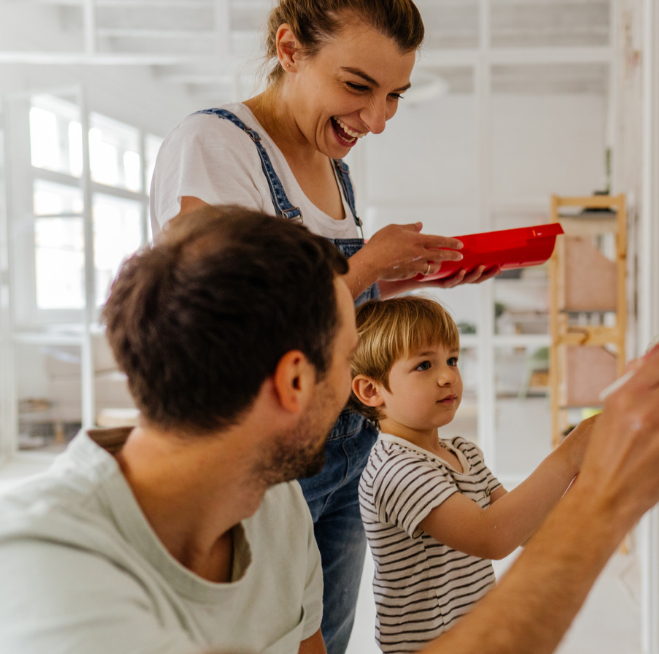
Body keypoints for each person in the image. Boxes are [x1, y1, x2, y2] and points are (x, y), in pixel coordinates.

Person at [0, 205, 659, 654]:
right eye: (347, 352)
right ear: (297, 384)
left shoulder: (276, 508)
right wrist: (603, 503)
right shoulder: (37, 568)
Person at [146, 2, 498, 651]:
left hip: (349, 442)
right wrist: (367, 265)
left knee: (325, 639)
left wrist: (403, 279)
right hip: (265, 459)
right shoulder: (215, 146)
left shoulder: (332, 164)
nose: (377, 119)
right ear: (290, 50)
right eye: (358, 86)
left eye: (394, 95)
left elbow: (327, 307)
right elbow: (230, 327)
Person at [349, 296, 595, 652]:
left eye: (452, 360)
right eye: (424, 365)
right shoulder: (395, 470)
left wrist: (592, 474)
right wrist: (570, 453)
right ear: (371, 391)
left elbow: (528, 530)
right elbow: (491, 537)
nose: (448, 376)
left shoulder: (463, 453)